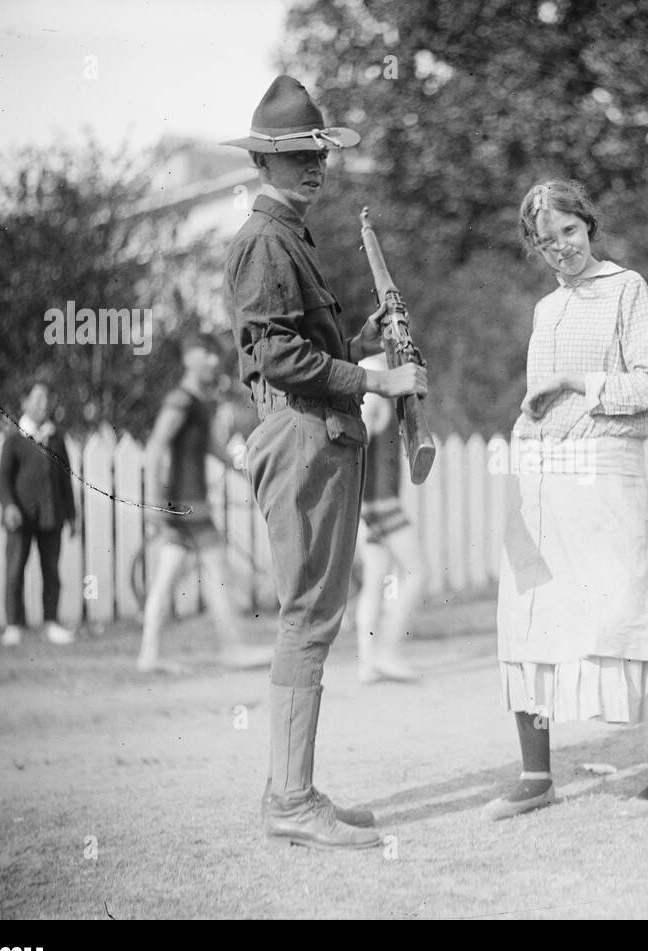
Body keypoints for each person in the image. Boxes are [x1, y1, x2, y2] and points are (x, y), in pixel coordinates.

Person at [222, 75, 427, 850]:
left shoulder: (286, 237)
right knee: (308, 617)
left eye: (318, 149)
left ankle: (291, 791)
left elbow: (301, 348)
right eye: (296, 152)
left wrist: (364, 341)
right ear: (263, 163)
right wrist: (376, 377)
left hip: (318, 433)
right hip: (302, 437)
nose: (314, 163)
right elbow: (276, 355)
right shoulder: (265, 241)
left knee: (314, 615)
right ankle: (292, 801)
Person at [486, 179, 648, 822]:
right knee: (528, 612)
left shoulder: (627, 288)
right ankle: (536, 775)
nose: (561, 249)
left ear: (588, 225)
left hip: (610, 471)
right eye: (545, 240)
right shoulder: (544, 310)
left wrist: (576, 381)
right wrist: (522, 453)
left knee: (628, 611)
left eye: (569, 232)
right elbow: (536, 404)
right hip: (546, 474)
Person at [136, 330, 267, 675]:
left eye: (214, 354)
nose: (213, 360)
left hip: (188, 504)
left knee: (167, 578)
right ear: (188, 359)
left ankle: (149, 655)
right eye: (204, 353)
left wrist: (249, 473)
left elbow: (214, 450)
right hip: (187, 503)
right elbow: (154, 450)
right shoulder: (180, 400)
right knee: (217, 571)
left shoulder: (199, 401)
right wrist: (153, 505)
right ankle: (233, 649)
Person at [355, 353, 427, 683]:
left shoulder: (369, 403)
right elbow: (357, 451)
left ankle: (369, 663)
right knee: (417, 573)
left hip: (370, 506)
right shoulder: (374, 403)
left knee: (374, 582)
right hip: (382, 504)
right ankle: (387, 651)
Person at [0, 381, 78, 646]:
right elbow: (3, 481)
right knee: (15, 569)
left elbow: (66, 478)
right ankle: (13, 625)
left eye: (47, 399)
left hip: (51, 515)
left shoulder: (56, 437)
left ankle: (51, 623)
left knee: (51, 571)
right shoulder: (14, 438)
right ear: (24, 403)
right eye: (37, 398)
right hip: (20, 517)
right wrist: (9, 506)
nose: (43, 404)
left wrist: (72, 515)